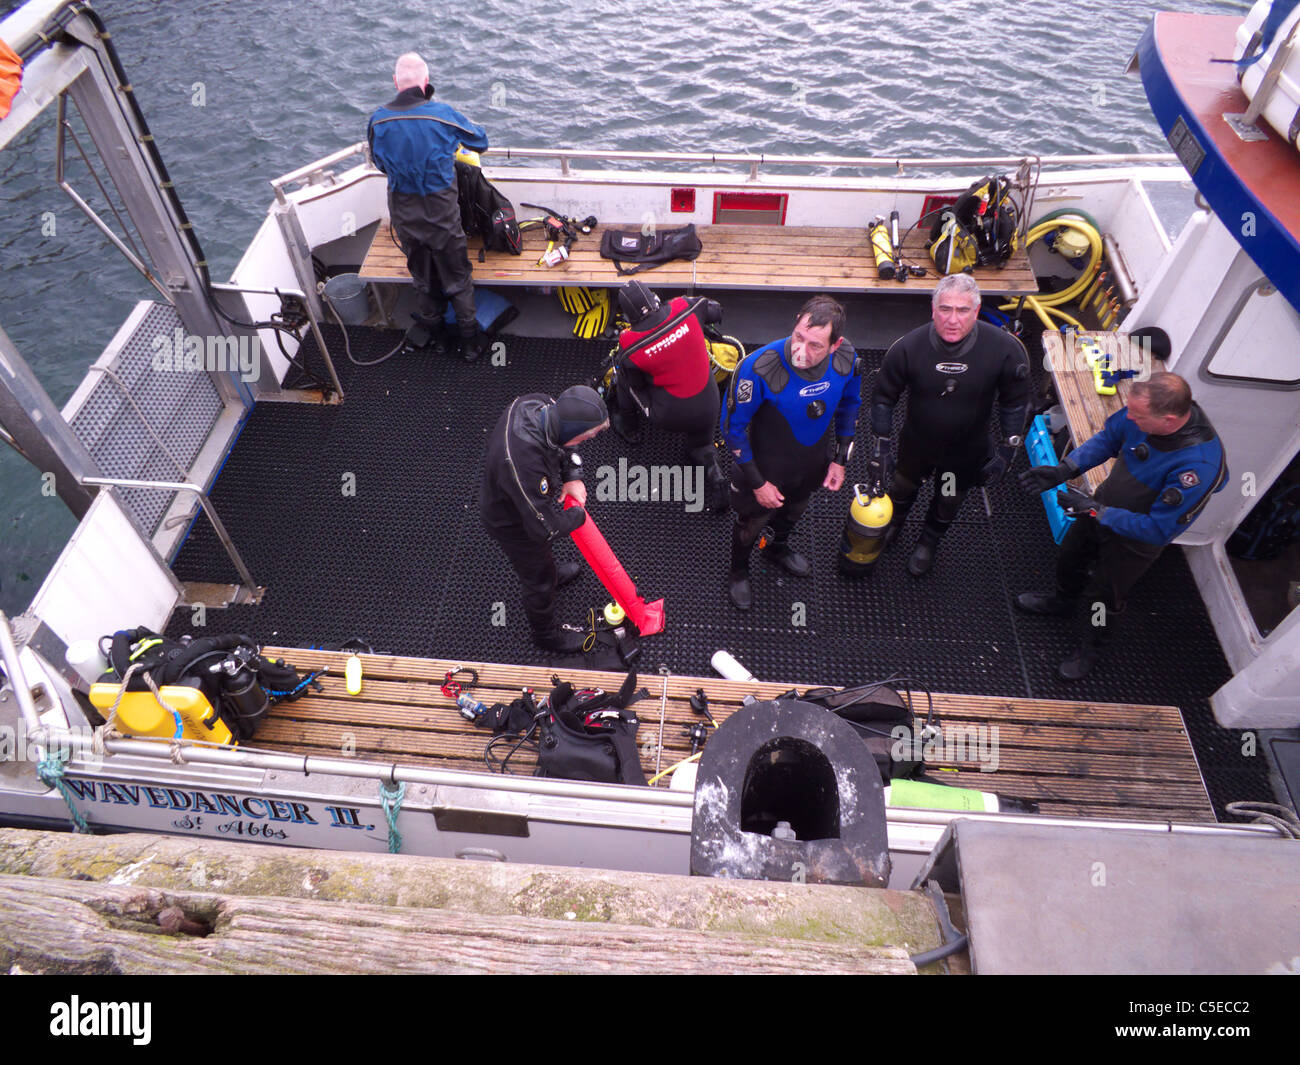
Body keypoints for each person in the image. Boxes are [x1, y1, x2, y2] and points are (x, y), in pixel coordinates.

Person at [1016, 371, 1227, 680]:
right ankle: (1062, 601)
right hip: (1101, 508)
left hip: (1136, 541)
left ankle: (1092, 646)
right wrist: (1065, 469)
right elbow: (1110, 438)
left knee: (1104, 596)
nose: (1129, 417)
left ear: (1169, 421)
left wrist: (1098, 511)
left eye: (1137, 415)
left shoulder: (1198, 467)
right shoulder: (1141, 414)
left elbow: (1159, 529)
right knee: (1071, 556)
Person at [867, 273, 1031, 575]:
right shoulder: (909, 347)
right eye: (945, 309)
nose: (952, 319)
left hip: (965, 451)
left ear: (976, 311)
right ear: (933, 310)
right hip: (916, 444)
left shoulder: (1003, 349)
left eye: (962, 310)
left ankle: (928, 542)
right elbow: (882, 399)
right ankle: (895, 525)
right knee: (902, 488)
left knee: (948, 497)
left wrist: (1008, 452)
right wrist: (882, 447)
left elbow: (1016, 402)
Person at [721, 295, 860, 609]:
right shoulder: (758, 366)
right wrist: (758, 483)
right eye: (799, 337)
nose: (802, 351)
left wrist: (839, 459)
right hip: (763, 467)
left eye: (815, 346)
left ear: (835, 345)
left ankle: (776, 548)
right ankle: (739, 571)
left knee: (794, 512)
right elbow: (733, 429)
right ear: (796, 321)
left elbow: (850, 405)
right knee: (751, 524)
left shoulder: (846, 357)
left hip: (810, 463)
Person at [367, 53, 490, 360]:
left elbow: (381, 163)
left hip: (405, 215)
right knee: (457, 277)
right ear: (426, 83)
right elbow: (481, 141)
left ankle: (435, 337)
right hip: (442, 214)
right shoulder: (442, 114)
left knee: (421, 275)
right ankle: (470, 342)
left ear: (396, 83)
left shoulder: (378, 120)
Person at [480, 385, 609, 653]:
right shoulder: (523, 462)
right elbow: (545, 528)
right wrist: (578, 516)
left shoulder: (536, 404)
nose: (583, 443)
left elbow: (565, 447)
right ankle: (545, 635)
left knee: (544, 561)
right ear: (571, 432)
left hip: (527, 500)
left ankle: (551, 573)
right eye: (584, 438)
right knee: (537, 577)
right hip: (512, 522)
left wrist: (573, 475)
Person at [612, 280, 728, 510]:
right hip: (709, 405)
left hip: (670, 416)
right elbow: (717, 311)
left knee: (623, 377)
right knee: (701, 443)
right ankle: (714, 471)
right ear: (654, 296)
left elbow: (635, 384)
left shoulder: (629, 342)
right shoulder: (686, 305)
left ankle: (629, 425)